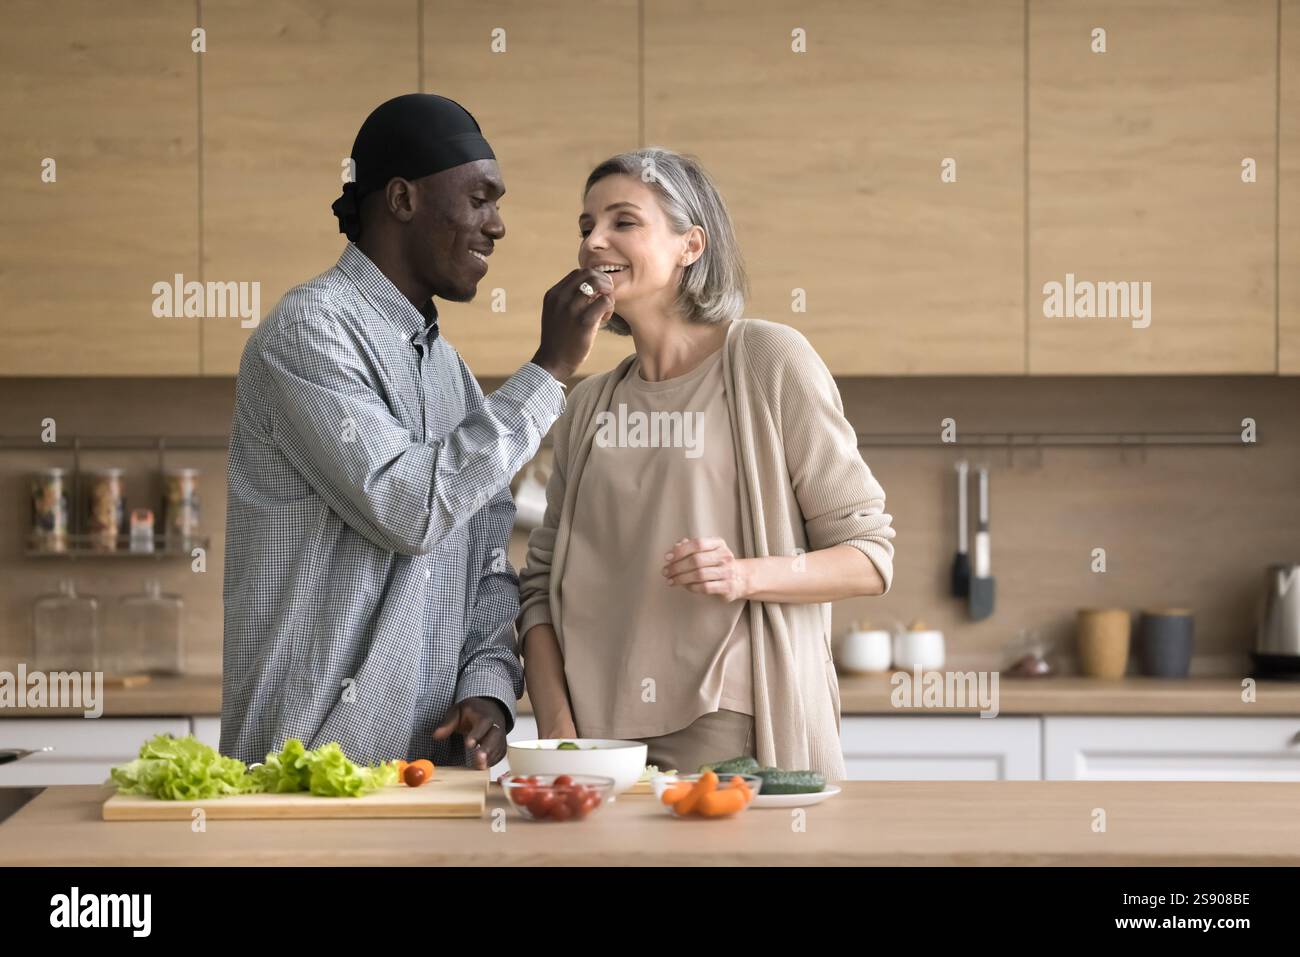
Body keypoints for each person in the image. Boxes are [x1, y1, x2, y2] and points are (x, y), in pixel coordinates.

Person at [221, 93, 615, 770]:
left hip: (423, 775)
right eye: (481, 199)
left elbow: (488, 562)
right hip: (302, 774)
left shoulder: (449, 371)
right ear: (402, 199)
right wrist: (549, 367)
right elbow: (409, 507)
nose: (497, 225)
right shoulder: (310, 332)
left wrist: (488, 690)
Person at [518, 148, 896, 780]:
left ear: (690, 245)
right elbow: (538, 591)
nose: (594, 242)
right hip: (596, 744)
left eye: (623, 222)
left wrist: (744, 575)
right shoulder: (586, 405)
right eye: (586, 227)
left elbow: (869, 555)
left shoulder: (768, 361)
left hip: (727, 726)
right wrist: (559, 733)